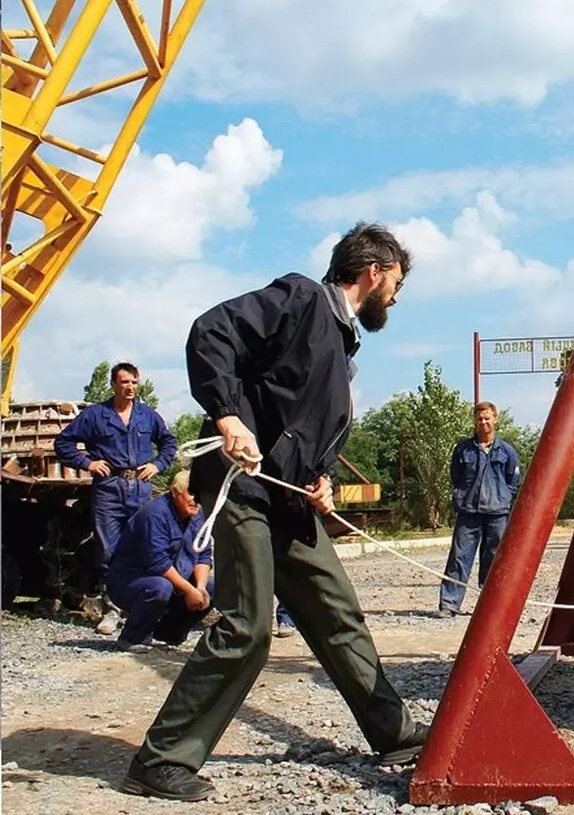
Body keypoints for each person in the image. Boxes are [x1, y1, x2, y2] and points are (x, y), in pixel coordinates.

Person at [120, 223, 427, 803]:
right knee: (248, 626)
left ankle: (396, 734)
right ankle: (161, 758)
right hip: (245, 490)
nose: (397, 296)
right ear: (374, 271)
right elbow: (211, 333)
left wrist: (324, 480)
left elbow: (308, 430)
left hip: (289, 498)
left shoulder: (343, 343)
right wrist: (229, 417)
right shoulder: (304, 299)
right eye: (398, 282)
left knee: (338, 612)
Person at [54, 362, 177, 636]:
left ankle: (143, 608)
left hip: (141, 487)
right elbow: (63, 443)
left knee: (146, 546)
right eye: (124, 382)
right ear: (113, 385)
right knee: (109, 550)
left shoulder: (147, 416)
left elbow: (169, 443)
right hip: (109, 488)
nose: (130, 387)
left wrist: (158, 465)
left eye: (133, 382)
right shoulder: (97, 415)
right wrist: (88, 463)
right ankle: (112, 610)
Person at [105, 470, 214, 653]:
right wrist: (188, 590)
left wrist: (200, 588)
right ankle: (131, 637)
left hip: (171, 580)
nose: (196, 499)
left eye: (199, 494)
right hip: (131, 582)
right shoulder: (154, 514)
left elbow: (203, 554)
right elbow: (157, 563)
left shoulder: (198, 514)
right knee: (160, 587)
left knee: (212, 587)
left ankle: (169, 634)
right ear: (175, 492)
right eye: (191, 493)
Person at [437, 401, 521, 617]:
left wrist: (504, 497)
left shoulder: (507, 451)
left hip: (497, 513)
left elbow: (513, 479)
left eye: (487, 418)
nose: (483, 422)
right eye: (479, 418)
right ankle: (449, 604)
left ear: (495, 419)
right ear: (475, 421)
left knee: (494, 558)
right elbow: (456, 476)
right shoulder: (463, 449)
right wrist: (463, 495)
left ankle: (491, 605)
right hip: (468, 512)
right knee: (459, 556)